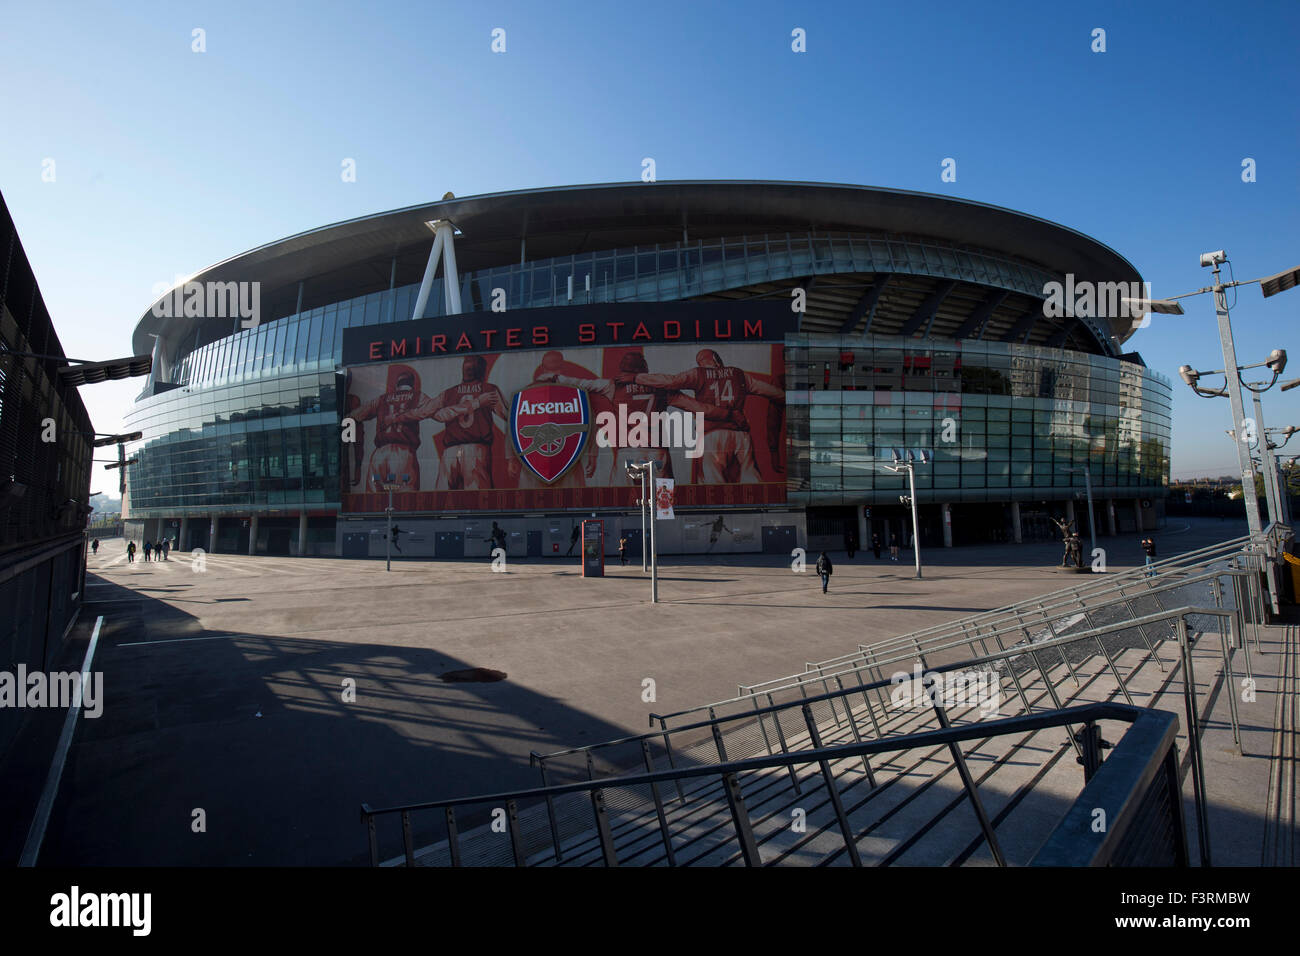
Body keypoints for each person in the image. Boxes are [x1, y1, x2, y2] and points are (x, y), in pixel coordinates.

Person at [623, 348, 786, 484]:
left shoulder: (698, 374)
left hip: (710, 435)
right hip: (740, 435)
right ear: (716, 359)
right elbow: (775, 393)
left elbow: (671, 381)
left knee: (711, 483)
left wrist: (637, 378)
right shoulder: (739, 375)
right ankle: (752, 516)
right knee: (750, 477)